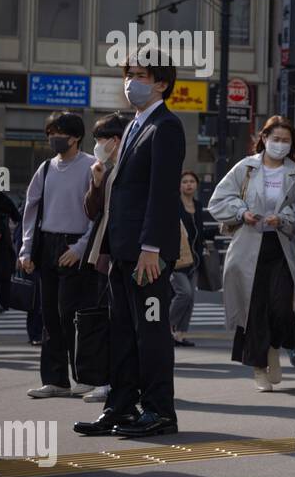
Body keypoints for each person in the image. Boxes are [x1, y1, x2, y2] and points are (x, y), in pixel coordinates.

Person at [75, 55, 186, 439]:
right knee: (121, 330)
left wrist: (151, 247)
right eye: (128, 76)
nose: (131, 83)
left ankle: (159, 411)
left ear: (161, 84)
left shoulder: (166, 126)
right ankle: (119, 406)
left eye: (140, 76)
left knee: (151, 332)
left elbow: (161, 193)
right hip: (122, 250)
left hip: (146, 253)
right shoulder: (136, 125)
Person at [208, 116, 295, 391]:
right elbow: (218, 200)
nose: (279, 145)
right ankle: (258, 367)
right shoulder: (245, 168)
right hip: (248, 244)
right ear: (264, 138)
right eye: (275, 139)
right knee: (254, 308)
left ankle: (273, 349)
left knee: (281, 307)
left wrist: (284, 219)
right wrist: (242, 212)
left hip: (282, 246)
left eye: (285, 140)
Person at [17, 112, 102, 397]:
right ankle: (55, 380)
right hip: (48, 243)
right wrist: (26, 249)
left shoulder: (92, 165)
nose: (54, 138)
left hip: (76, 244)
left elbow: (98, 212)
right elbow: (31, 211)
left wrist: (80, 248)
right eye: (50, 133)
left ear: (76, 136)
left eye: (59, 133)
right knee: (50, 314)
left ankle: (86, 377)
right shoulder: (45, 168)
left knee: (75, 315)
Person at [78, 112, 129, 406]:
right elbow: (91, 211)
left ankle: (117, 381)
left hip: (121, 248)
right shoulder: (103, 168)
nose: (97, 145)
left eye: (102, 139)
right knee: (105, 315)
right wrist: (96, 183)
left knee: (119, 318)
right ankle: (106, 379)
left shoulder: (129, 166)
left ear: (116, 140)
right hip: (103, 248)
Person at [170, 170, 207, 347]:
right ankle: (165, 327)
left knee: (191, 298)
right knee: (184, 293)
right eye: (185, 181)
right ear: (179, 185)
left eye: (192, 181)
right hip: (176, 259)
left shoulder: (198, 206)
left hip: (195, 259)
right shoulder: (174, 205)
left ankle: (179, 334)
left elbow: (200, 232)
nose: (189, 184)